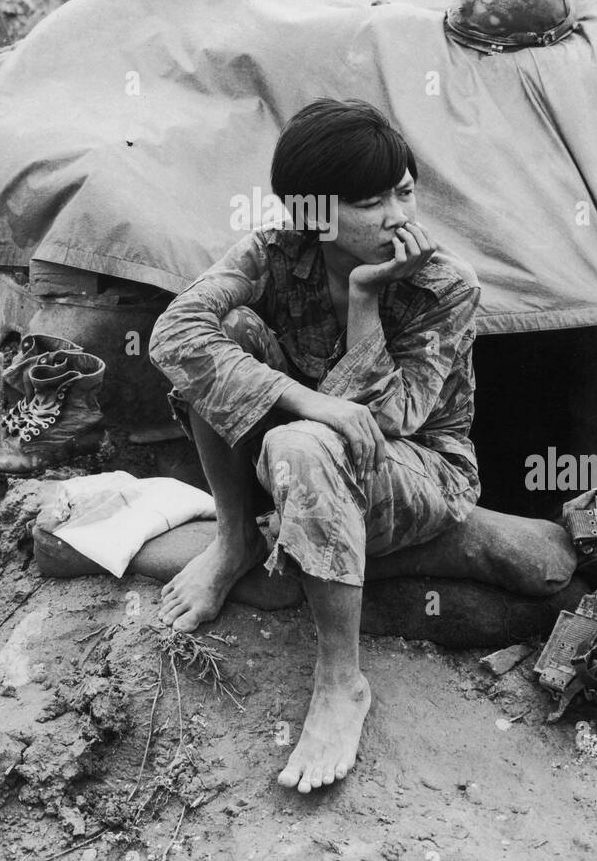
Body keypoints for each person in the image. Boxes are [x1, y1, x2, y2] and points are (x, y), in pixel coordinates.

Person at [147, 98, 481, 793]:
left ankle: (340, 679)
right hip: (300, 455)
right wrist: (304, 399)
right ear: (312, 212)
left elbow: (387, 420)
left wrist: (365, 299)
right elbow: (173, 335)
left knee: (301, 444)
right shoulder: (275, 252)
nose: (397, 216)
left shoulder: (444, 285)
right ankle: (236, 540)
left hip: (417, 472)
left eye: (404, 192)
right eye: (369, 202)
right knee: (225, 337)